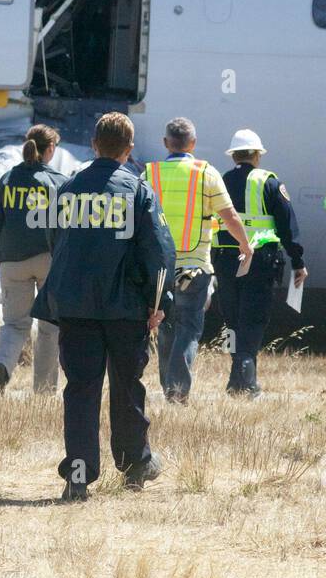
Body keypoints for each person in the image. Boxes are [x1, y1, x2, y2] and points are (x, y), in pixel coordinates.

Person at [31, 112, 176, 502]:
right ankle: (135, 467)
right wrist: (159, 303)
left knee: (80, 389)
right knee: (127, 387)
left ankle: (78, 476)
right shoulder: (139, 191)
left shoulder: (68, 188)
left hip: (75, 307)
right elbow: (158, 252)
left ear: (95, 145)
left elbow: (55, 241)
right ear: (129, 150)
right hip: (125, 310)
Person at [144, 117, 253, 403]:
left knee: (166, 327)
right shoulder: (206, 173)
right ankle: (177, 391)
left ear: (166, 143)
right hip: (195, 266)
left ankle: (169, 387)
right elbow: (229, 216)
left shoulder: (149, 174)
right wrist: (245, 245)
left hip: (160, 267)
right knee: (189, 329)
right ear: (192, 144)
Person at [210, 129, 307, 396]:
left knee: (232, 319)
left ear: (233, 156)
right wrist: (298, 261)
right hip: (260, 261)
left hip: (226, 260)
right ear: (256, 154)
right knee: (253, 319)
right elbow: (288, 227)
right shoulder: (269, 182)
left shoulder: (221, 181)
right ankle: (246, 380)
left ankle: (236, 377)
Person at [0, 124, 65, 395]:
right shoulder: (59, 183)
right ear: (50, 149)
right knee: (50, 329)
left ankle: (2, 366)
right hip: (49, 261)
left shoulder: (7, 179)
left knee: (15, 325)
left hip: (12, 262)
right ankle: (43, 393)